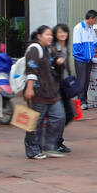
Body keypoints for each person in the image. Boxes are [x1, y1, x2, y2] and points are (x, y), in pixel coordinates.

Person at [21, 26, 66, 159]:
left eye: (51, 35)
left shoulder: (48, 48)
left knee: (59, 116)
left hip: (51, 91)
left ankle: (49, 145)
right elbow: (31, 69)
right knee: (35, 121)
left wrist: (59, 61)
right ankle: (32, 149)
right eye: (47, 35)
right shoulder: (34, 49)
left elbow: (53, 61)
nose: (50, 37)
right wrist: (29, 88)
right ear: (39, 36)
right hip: (38, 91)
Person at [71, 10, 97, 105]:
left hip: (88, 60)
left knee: (86, 81)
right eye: (95, 19)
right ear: (91, 18)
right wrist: (85, 56)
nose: (95, 21)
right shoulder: (78, 28)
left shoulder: (90, 29)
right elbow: (77, 46)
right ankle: (80, 102)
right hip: (81, 60)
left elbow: (95, 41)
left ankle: (85, 101)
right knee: (81, 81)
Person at [50, 23, 74, 154]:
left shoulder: (66, 48)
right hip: (56, 86)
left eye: (64, 32)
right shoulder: (53, 48)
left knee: (69, 114)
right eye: (59, 32)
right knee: (61, 115)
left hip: (65, 85)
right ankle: (56, 141)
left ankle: (55, 139)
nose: (62, 34)